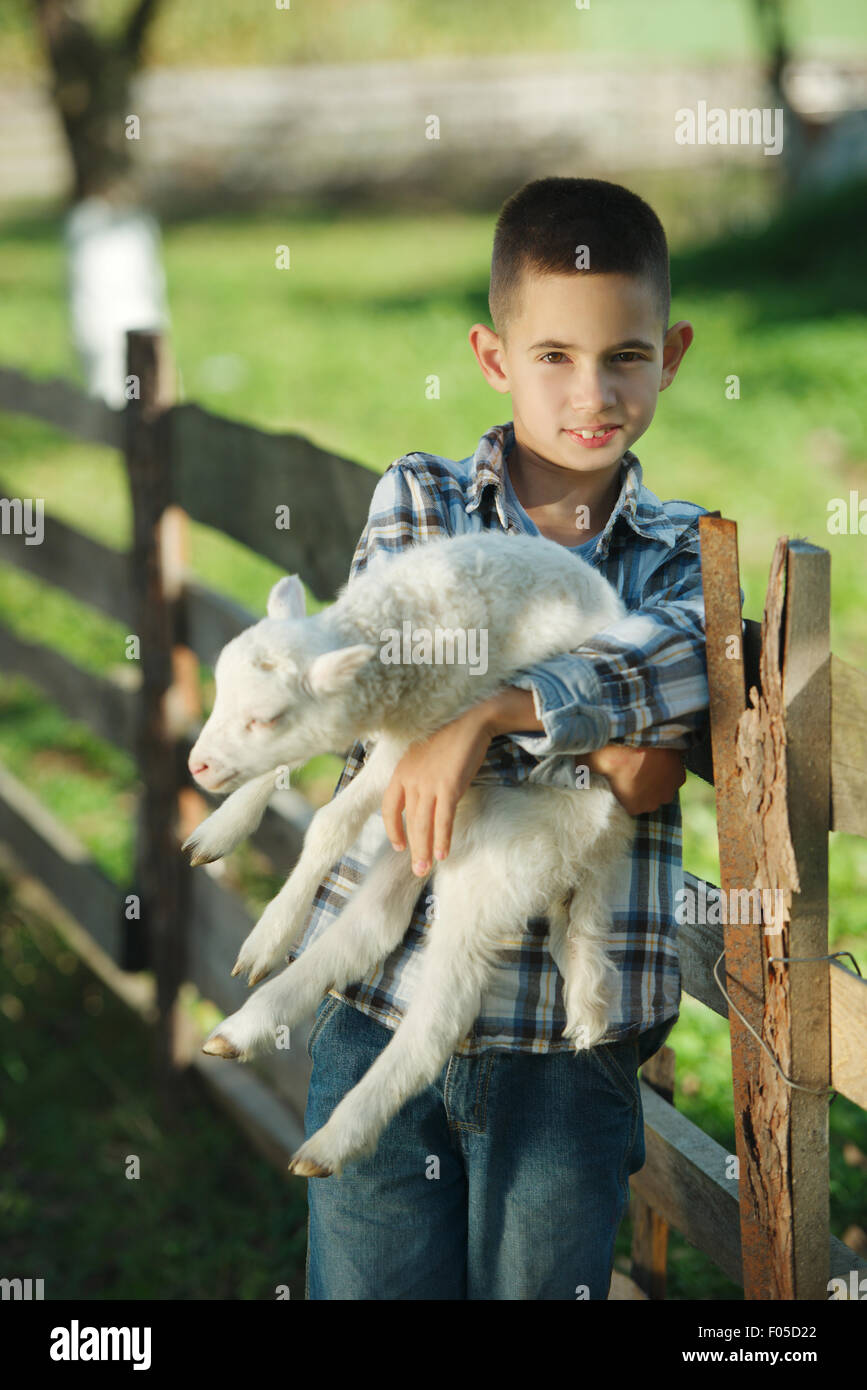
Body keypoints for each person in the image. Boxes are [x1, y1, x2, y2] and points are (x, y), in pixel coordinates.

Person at [294, 176, 732, 1300]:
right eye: (554, 356)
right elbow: (384, 703)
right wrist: (591, 731)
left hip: (568, 1055)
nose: (593, 392)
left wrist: (487, 712)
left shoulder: (687, 550)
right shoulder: (423, 503)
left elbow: (676, 687)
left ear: (673, 352)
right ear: (492, 357)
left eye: (625, 355)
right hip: (382, 1002)